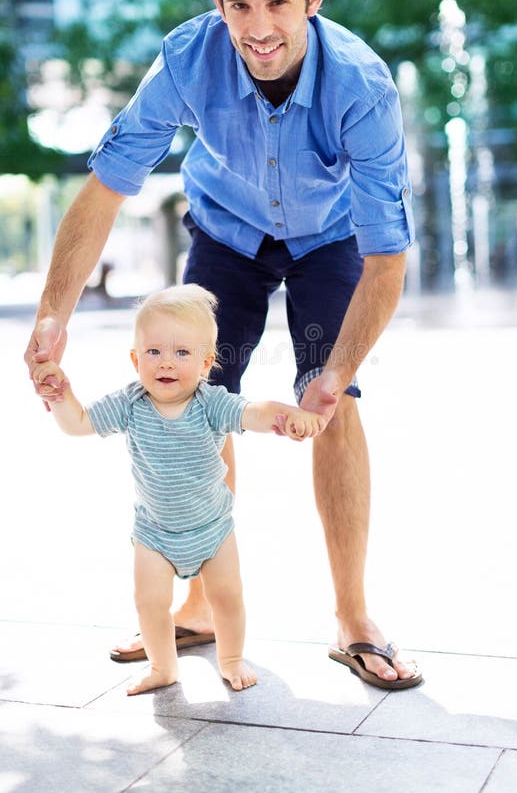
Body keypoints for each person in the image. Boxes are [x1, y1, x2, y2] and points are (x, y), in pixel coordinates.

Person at [25, 0, 422, 690]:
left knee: (335, 399)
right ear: (216, 1)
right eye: (238, 4)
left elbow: (386, 260)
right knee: (193, 397)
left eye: (278, 1)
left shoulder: (363, 88)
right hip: (229, 234)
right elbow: (106, 189)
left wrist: (333, 372)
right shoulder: (187, 59)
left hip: (328, 239)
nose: (258, 26)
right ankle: (204, 603)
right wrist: (51, 314)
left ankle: (353, 618)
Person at [31, 283, 325, 695]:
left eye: (182, 353)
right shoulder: (130, 403)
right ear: (136, 359)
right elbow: (78, 423)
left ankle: (231, 658)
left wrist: (286, 416)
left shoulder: (211, 403)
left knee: (227, 598)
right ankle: (163, 667)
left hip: (212, 530)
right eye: (154, 352)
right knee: (149, 604)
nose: (166, 363)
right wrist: (61, 394)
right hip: (154, 534)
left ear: (206, 363)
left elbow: (252, 412)